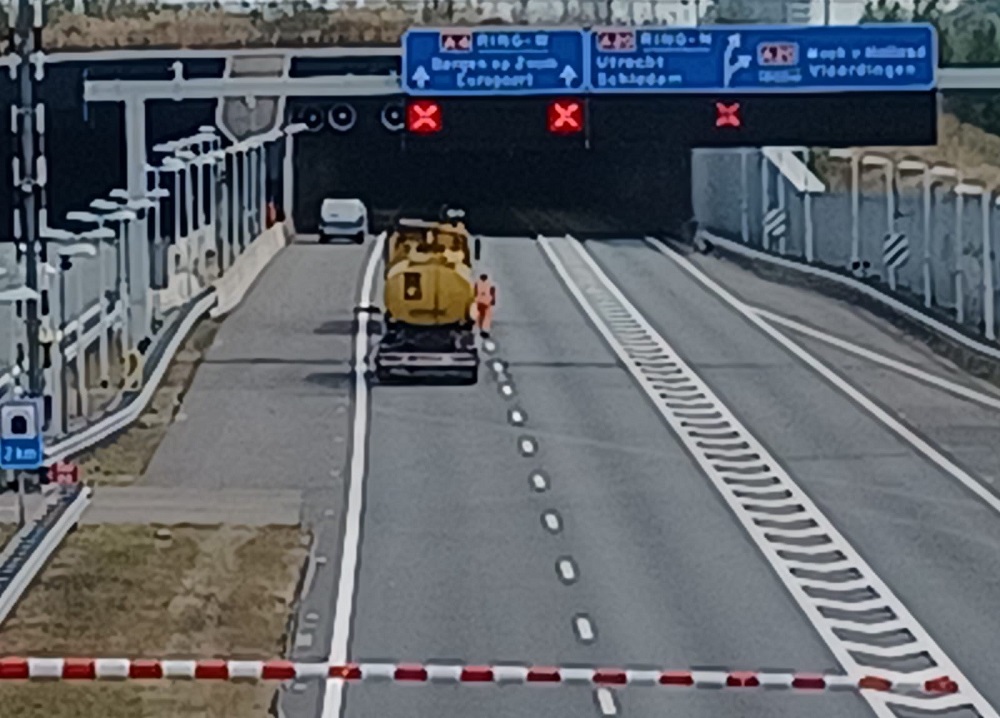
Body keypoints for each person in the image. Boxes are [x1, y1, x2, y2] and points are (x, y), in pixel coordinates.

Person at [473, 273, 496, 338]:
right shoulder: (490, 284)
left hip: (481, 302)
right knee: (483, 315)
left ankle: (481, 328)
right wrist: (493, 300)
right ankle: (482, 328)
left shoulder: (478, 283)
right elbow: (492, 292)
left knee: (482, 315)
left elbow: (475, 293)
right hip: (484, 302)